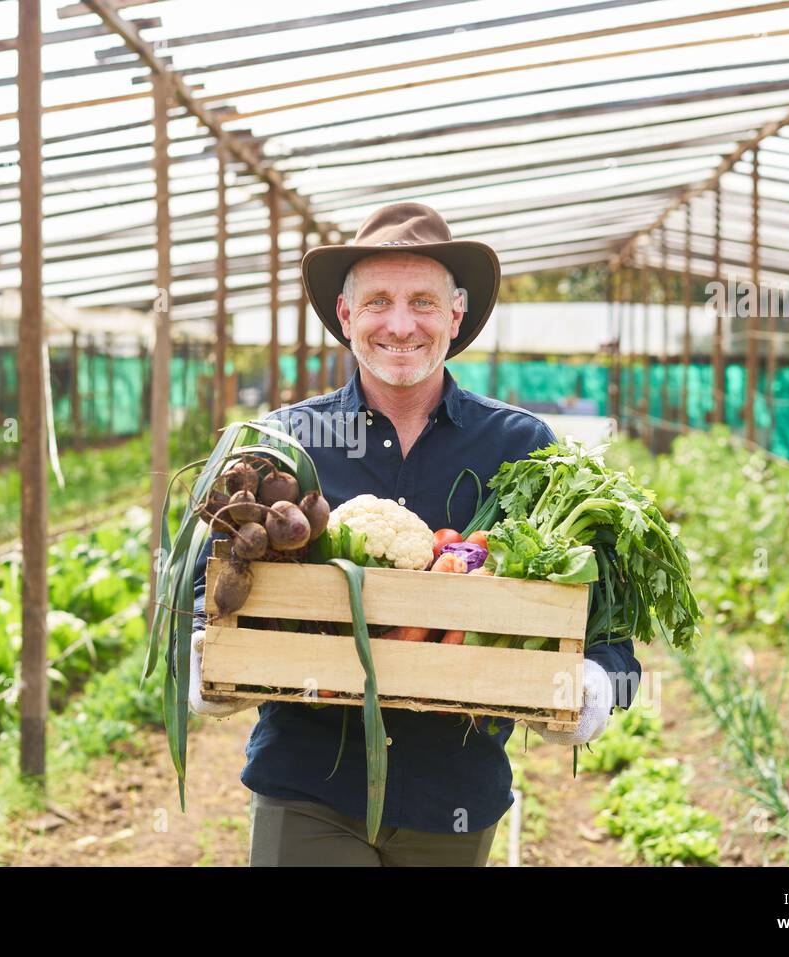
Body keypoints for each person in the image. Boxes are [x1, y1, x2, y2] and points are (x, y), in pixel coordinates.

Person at [190, 202, 640, 866]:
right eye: (377, 303)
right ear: (346, 317)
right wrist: (206, 653)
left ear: (456, 316)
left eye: (423, 302)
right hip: (308, 784)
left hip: (453, 795)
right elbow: (202, 585)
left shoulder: (526, 448)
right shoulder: (280, 445)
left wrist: (595, 685)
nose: (400, 325)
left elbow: (609, 636)